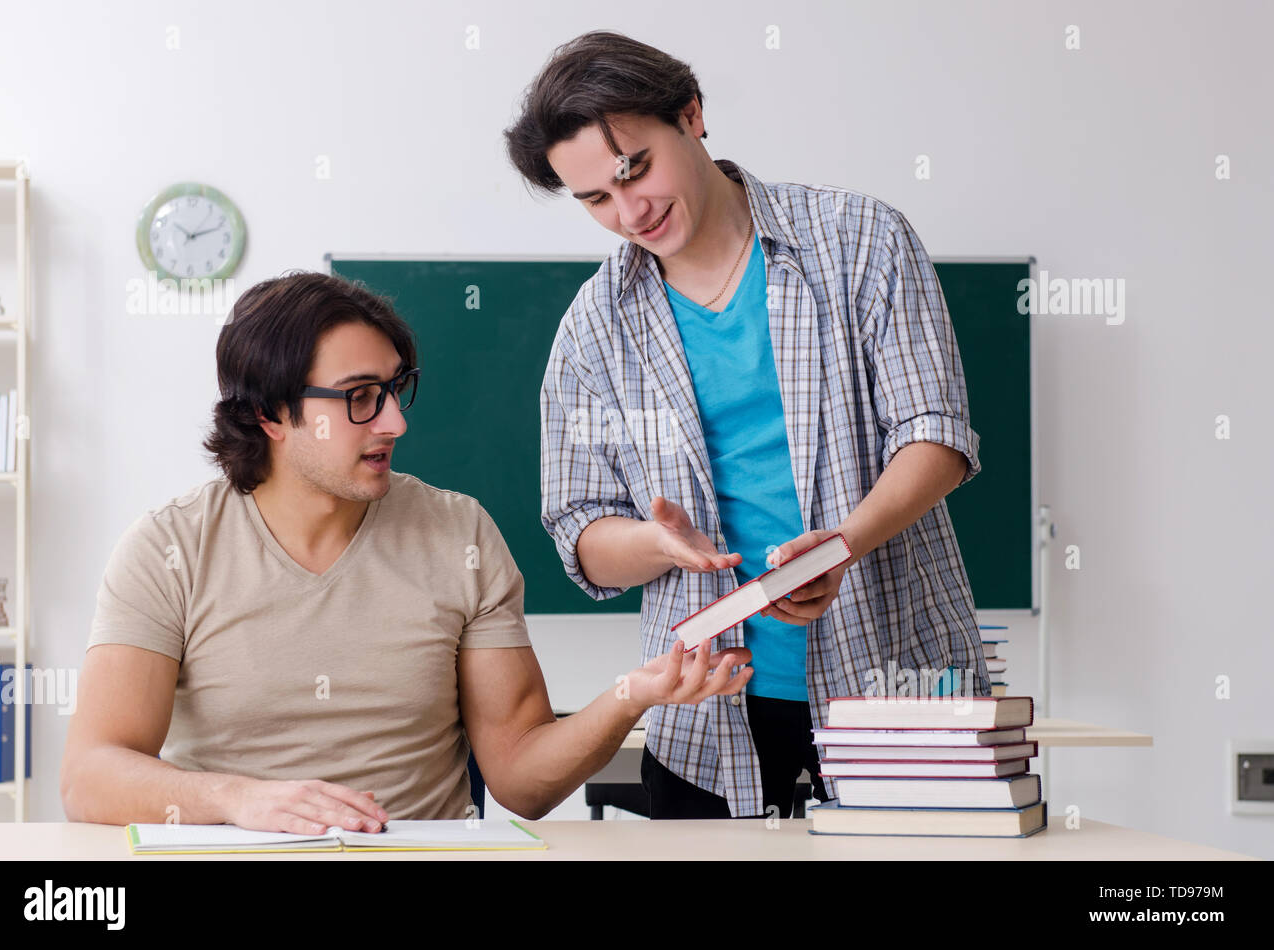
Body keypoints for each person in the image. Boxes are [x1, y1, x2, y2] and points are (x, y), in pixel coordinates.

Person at [60, 271, 750, 830]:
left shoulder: (460, 534)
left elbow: (520, 780)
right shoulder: (169, 548)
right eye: (360, 397)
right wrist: (240, 801)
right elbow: (90, 775)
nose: (395, 420)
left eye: (394, 389)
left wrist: (634, 694)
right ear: (270, 413)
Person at [505, 31, 992, 820]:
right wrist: (657, 546)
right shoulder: (591, 330)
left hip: (901, 687)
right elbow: (582, 533)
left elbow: (935, 436)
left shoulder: (860, 239)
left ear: (692, 115)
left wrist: (839, 547)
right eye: (596, 199)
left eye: (635, 168)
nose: (630, 211)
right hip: (707, 712)